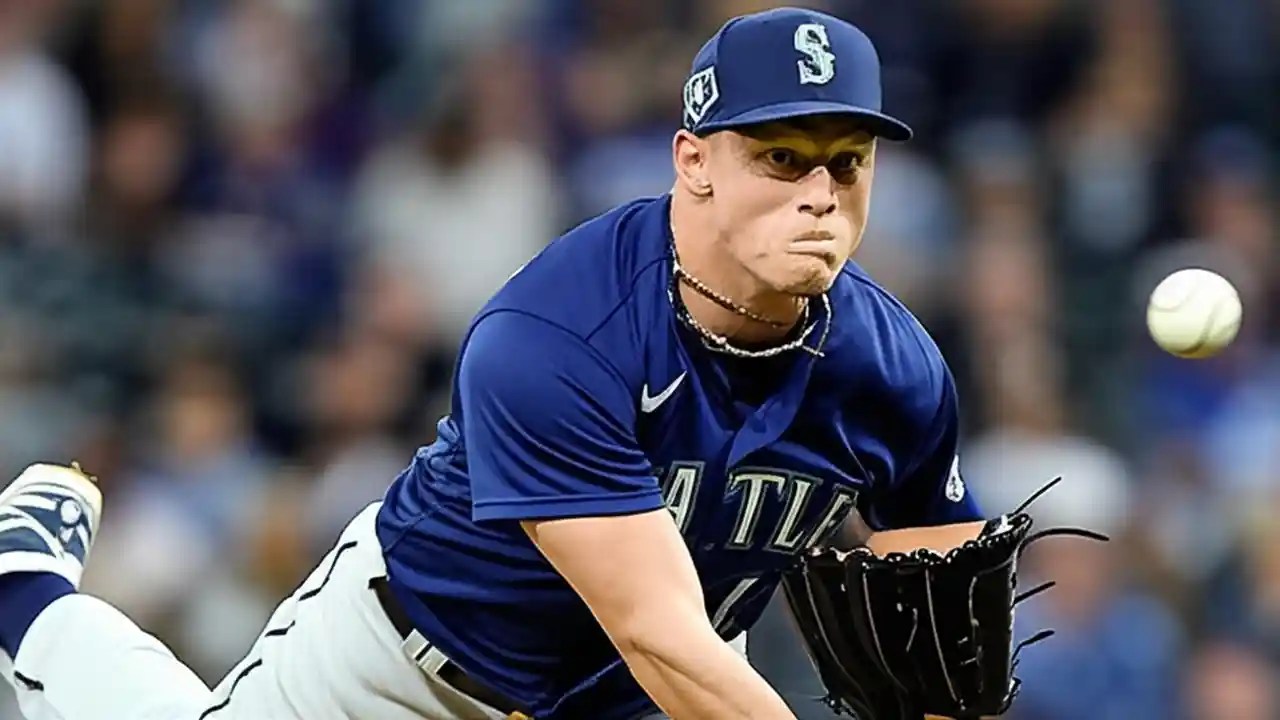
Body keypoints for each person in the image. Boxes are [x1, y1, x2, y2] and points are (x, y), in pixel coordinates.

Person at [0, 7, 988, 720]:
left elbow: (940, 614)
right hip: (410, 673)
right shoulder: (559, 335)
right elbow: (657, 634)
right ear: (692, 162)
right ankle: (26, 596)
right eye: (780, 158)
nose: (819, 192)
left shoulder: (893, 370)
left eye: (846, 161)